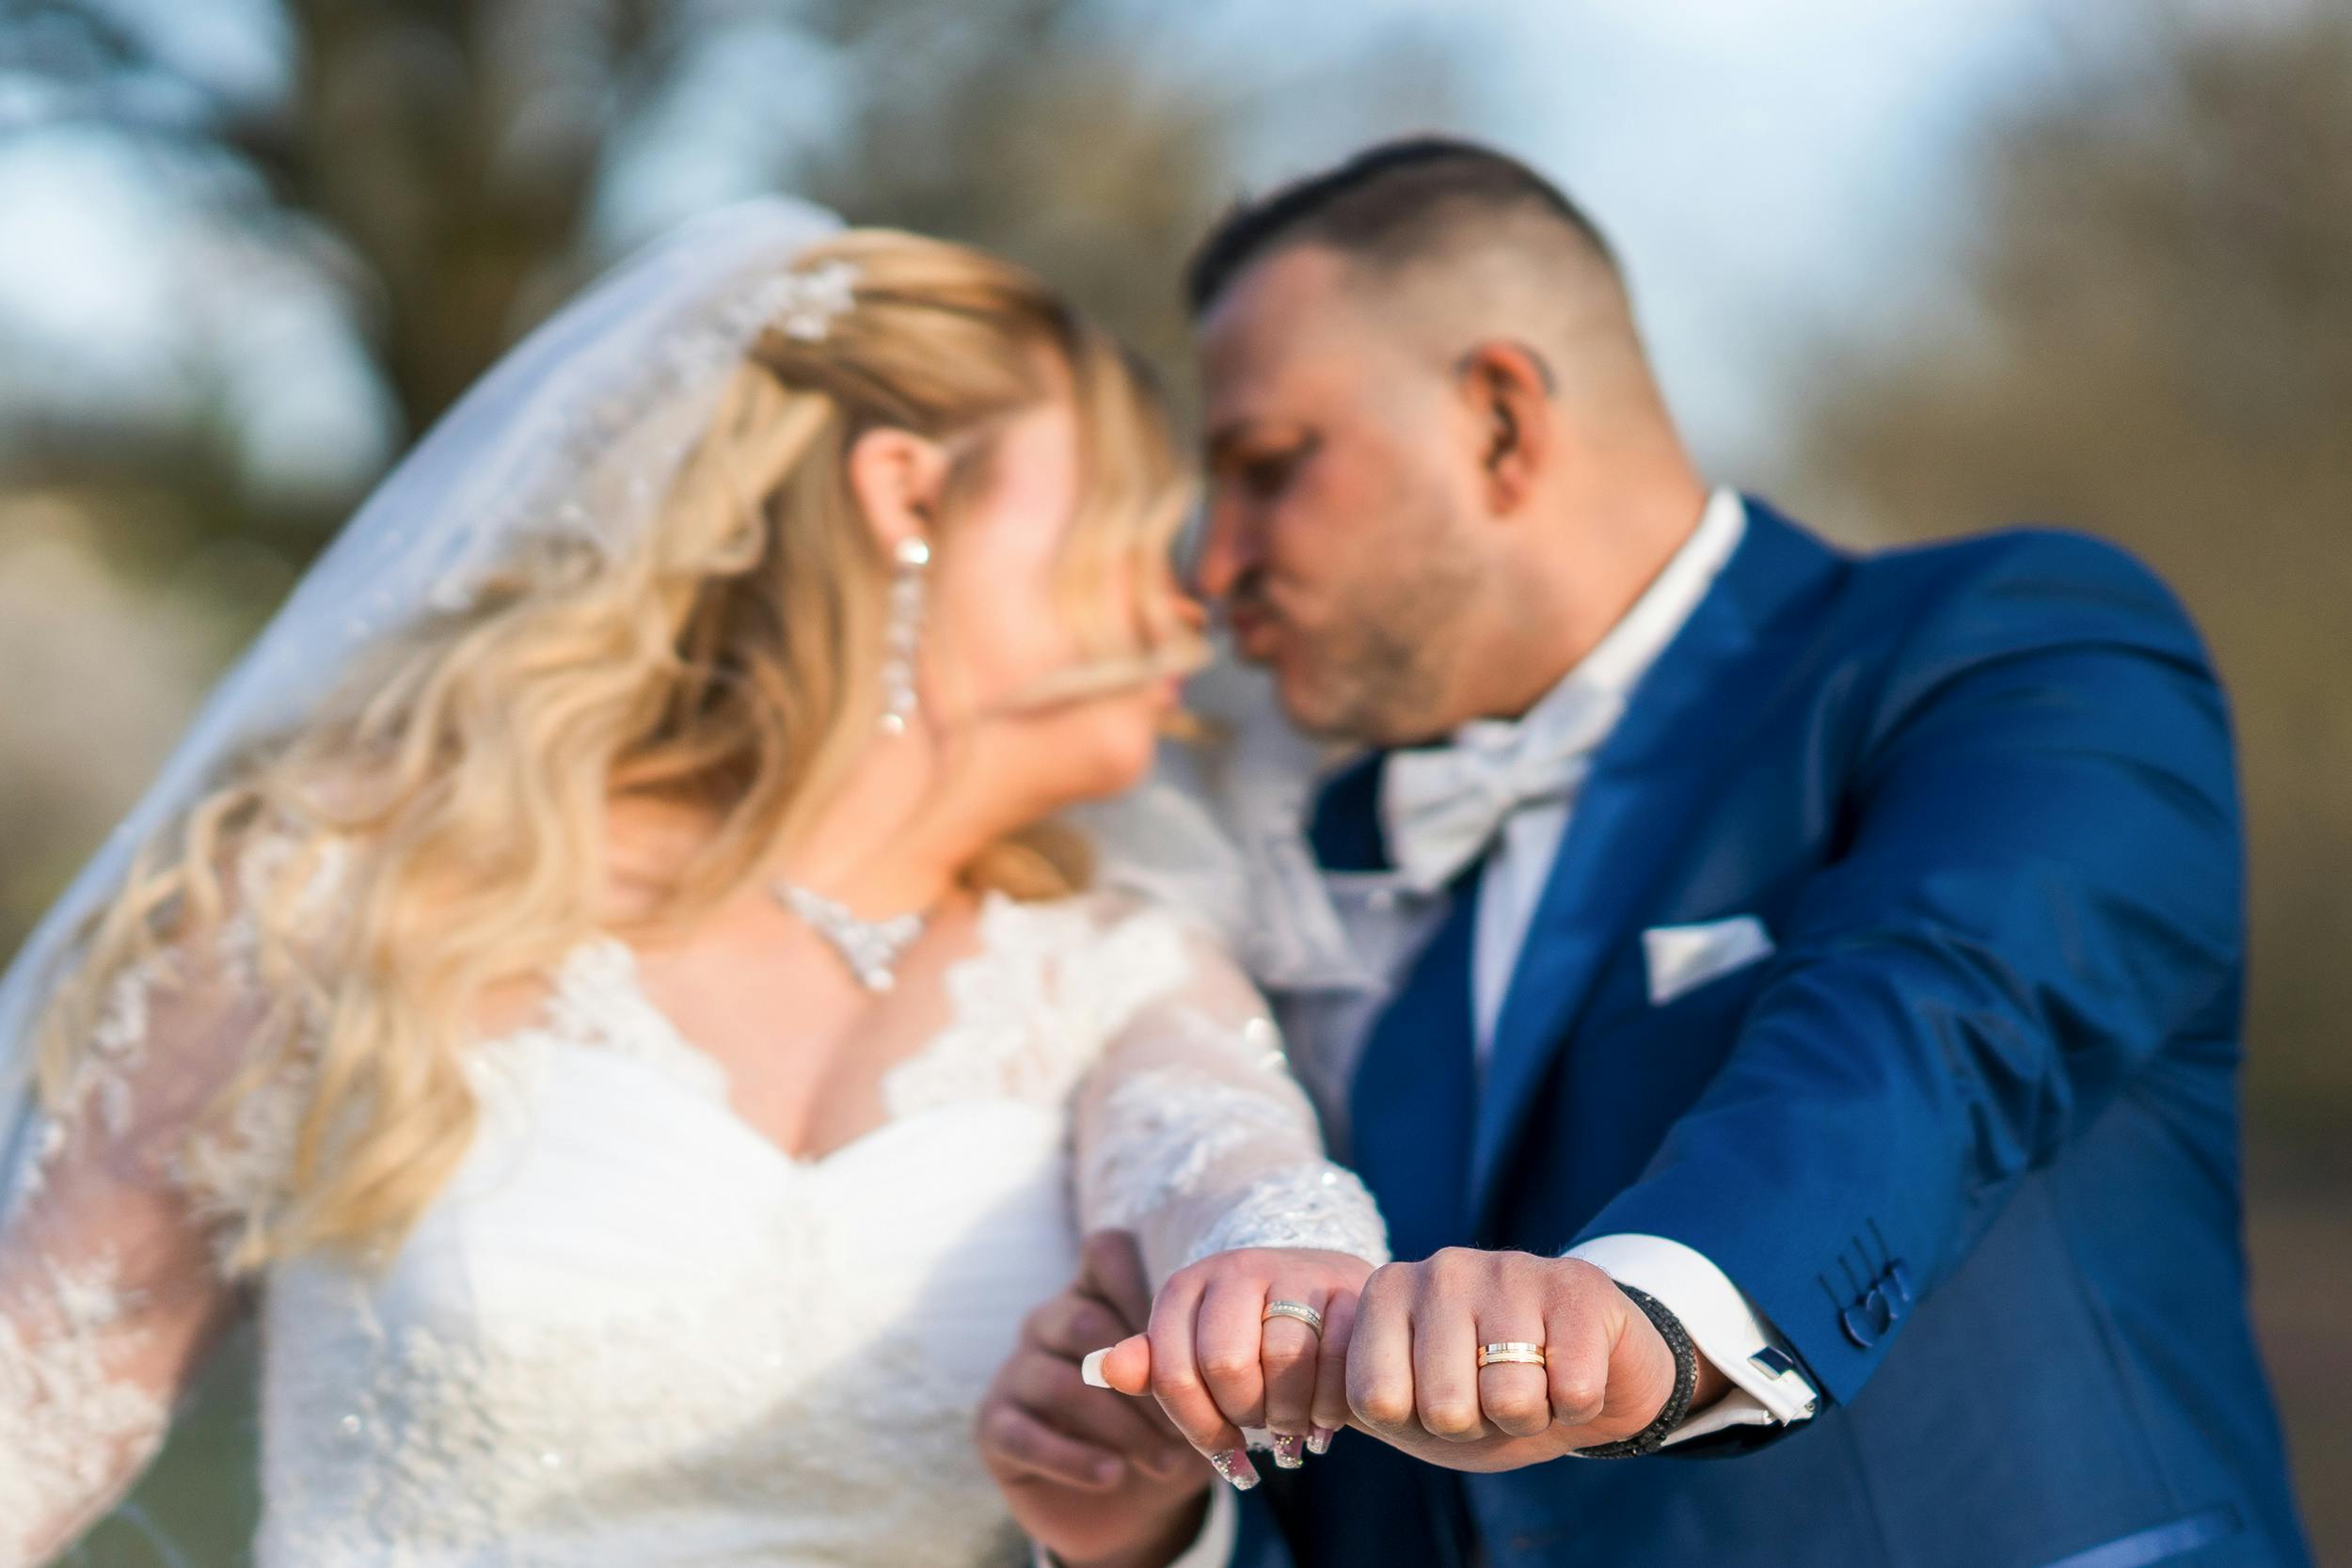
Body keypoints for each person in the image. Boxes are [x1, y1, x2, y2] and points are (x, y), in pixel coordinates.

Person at [985, 138, 2313, 1568]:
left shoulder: (2002, 646)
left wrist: (1649, 1316)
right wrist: (1156, 1518)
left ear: (1499, 421)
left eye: (1266, 466)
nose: (1212, 562)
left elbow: (1947, 1011)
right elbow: (1410, 1472)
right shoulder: (1307, 873)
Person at [0, 199, 1388, 1567]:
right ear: (906, 493)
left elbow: (1229, 1170)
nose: (1190, 597)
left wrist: (1287, 1271)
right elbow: (30, 1416)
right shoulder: (349, 900)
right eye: (1129, 528)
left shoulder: (1115, 973)